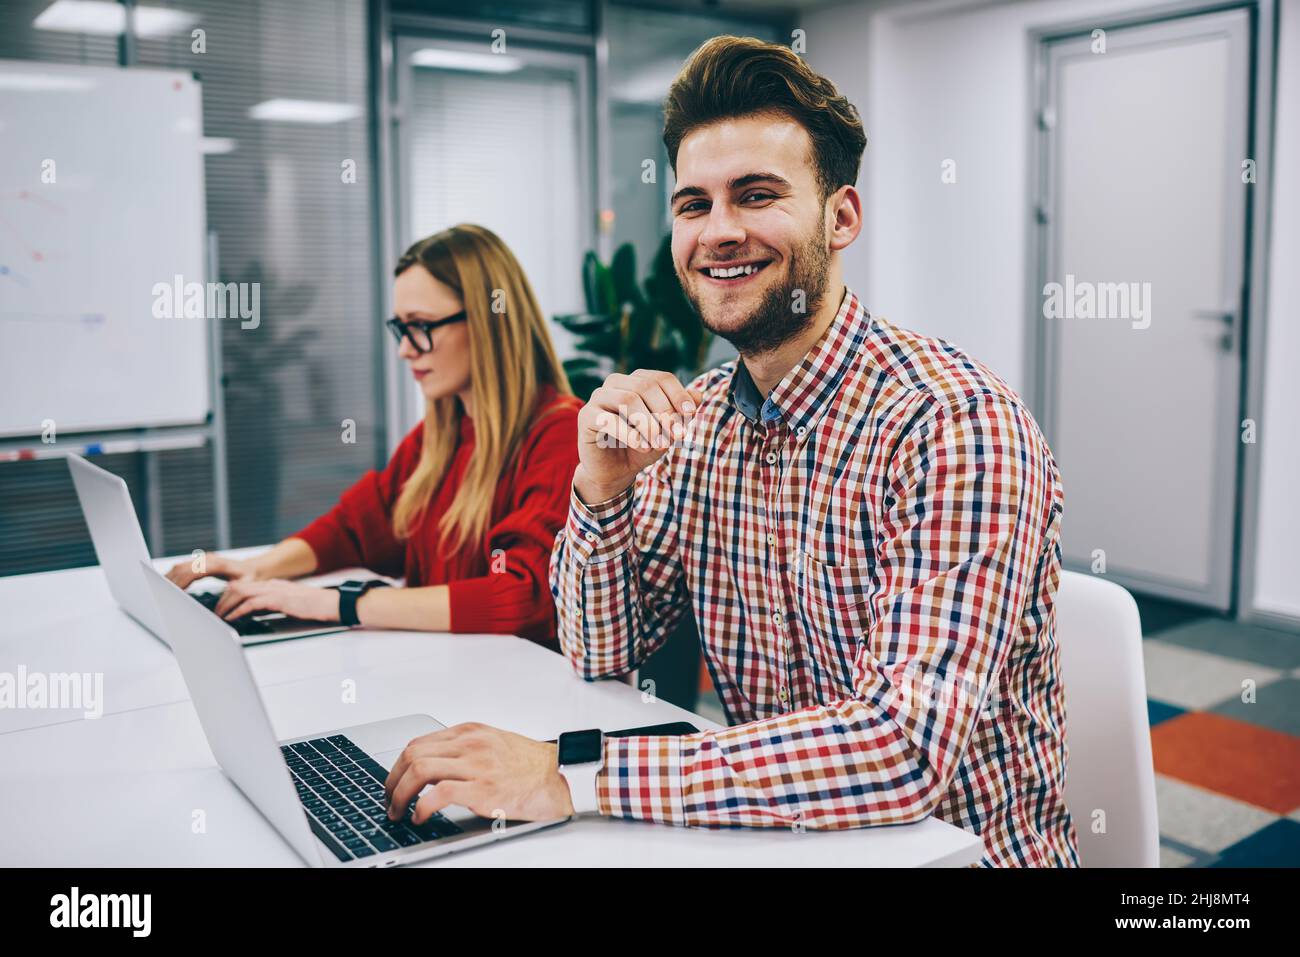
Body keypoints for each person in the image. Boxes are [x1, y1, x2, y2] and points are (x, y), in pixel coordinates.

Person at [379, 38, 1079, 868]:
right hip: (776, 842)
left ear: (841, 216)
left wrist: (574, 773)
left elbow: (902, 752)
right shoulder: (700, 417)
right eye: (692, 204)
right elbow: (604, 654)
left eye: (756, 195)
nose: (720, 232)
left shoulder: (955, 424)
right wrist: (600, 491)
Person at [166, 224, 581, 647]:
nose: (405, 350)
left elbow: (524, 596)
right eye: (401, 328)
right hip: (448, 674)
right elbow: (356, 529)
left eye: (420, 326)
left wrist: (339, 604)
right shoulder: (439, 437)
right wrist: (257, 568)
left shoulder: (562, 434)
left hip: (513, 698)